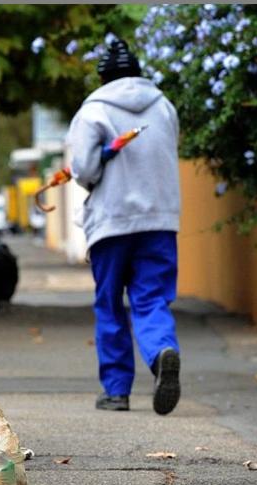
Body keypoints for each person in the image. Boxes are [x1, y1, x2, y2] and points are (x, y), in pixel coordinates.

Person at [66, 38, 181, 415]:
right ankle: (162, 350)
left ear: (103, 76)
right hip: (160, 220)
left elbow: (83, 169)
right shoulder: (163, 106)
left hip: (111, 222)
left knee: (111, 304)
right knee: (151, 298)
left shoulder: (93, 111)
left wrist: (100, 161)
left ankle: (116, 392)